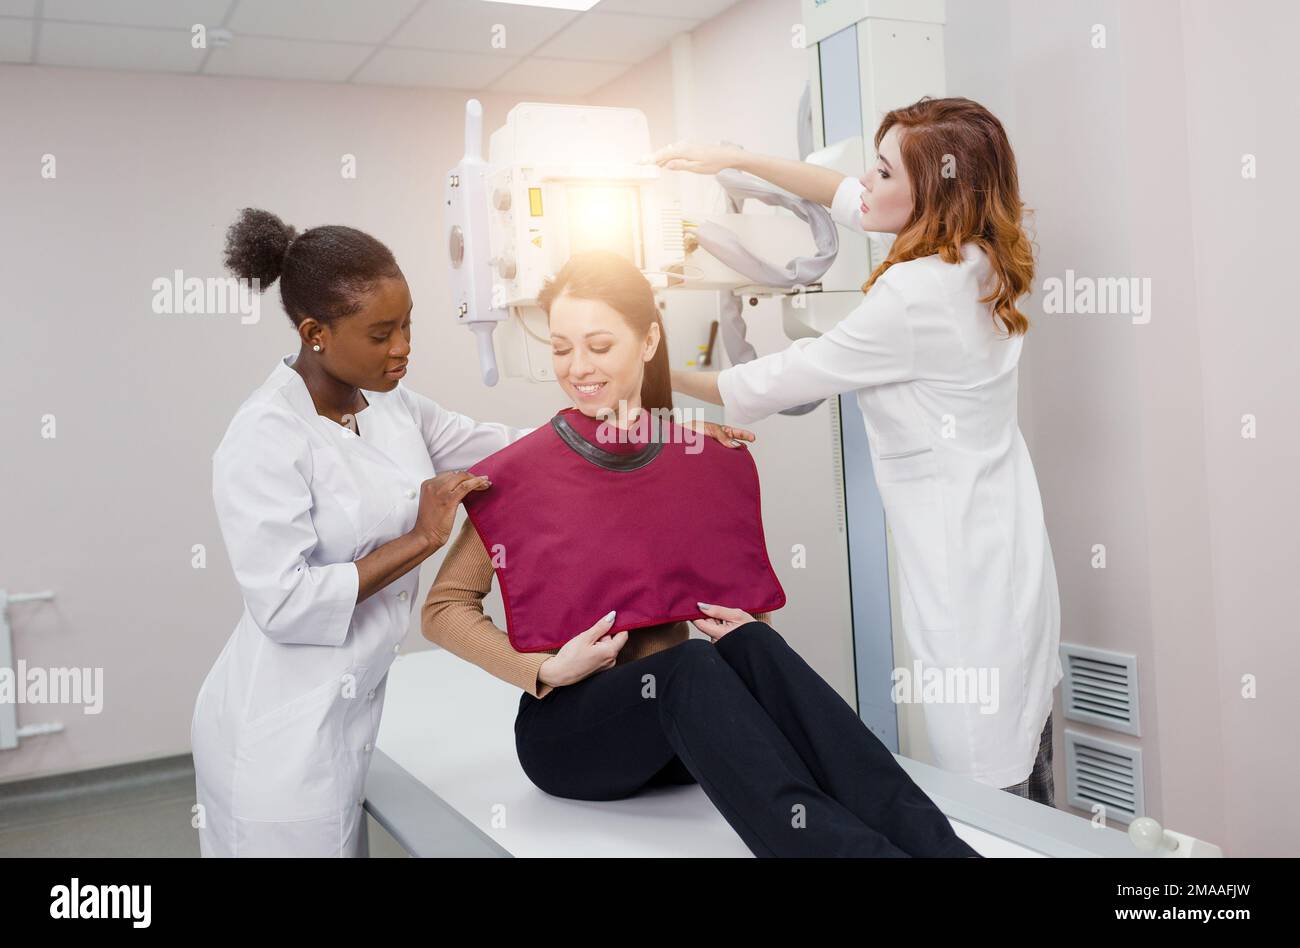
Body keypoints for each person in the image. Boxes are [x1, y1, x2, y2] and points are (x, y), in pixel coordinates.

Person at [423, 250, 981, 857]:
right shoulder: (521, 479)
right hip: (574, 740)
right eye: (561, 348)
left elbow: (727, 594)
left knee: (757, 646)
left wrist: (746, 625)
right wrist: (543, 670)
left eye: (599, 345)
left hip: (680, 735)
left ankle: (943, 850)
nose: (577, 367)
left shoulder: (695, 457)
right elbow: (444, 607)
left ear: (648, 340)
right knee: (686, 669)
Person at [650, 96, 1063, 805]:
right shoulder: (980, 257)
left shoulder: (913, 293)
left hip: (965, 573)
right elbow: (845, 197)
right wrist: (736, 160)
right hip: (1013, 550)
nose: (863, 185)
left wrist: (641, 369)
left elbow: (772, 380)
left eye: (881, 172)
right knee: (1030, 756)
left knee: (989, 792)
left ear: (932, 191)